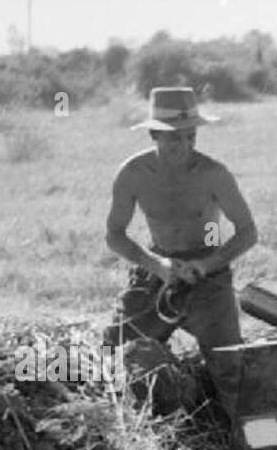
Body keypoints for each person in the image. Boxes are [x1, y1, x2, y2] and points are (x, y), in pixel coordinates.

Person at [104, 87, 258, 393]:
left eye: (191, 137)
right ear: (153, 135)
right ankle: (155, 418)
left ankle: (238, 432)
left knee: (230, 369)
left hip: (208, 276)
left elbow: (247, 232)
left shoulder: (214, 174)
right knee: (119, 350)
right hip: (157, 268)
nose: (185, 145)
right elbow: (114, 236)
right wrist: (156, 265)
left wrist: (206, 264)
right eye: (175, 137)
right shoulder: (133, 173)